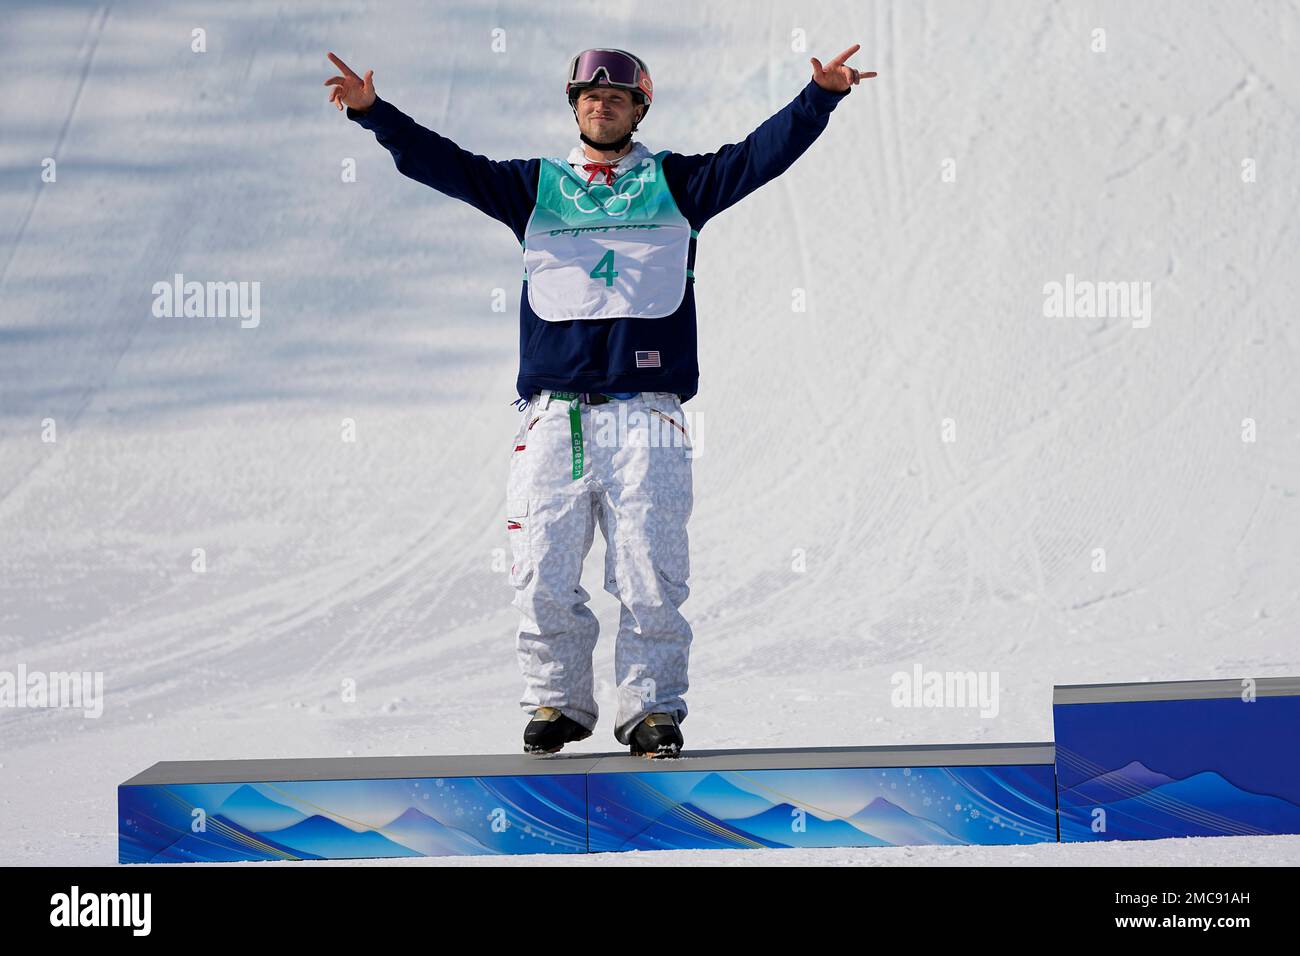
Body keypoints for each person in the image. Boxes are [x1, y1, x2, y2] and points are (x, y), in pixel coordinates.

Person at [325, 45, 873, 758]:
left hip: (647, 410)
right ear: (573, 104)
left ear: (640, 108)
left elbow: (759, 156)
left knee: (650, 571)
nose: (601, 104)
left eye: (616, 97)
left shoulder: (679, 183)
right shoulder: (535, 187)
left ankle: (651, 708)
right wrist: (376, 115)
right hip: (554, 414)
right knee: (542, 569)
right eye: (588, 95)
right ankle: (557, 701)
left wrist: (817, 98)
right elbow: (447, 165)